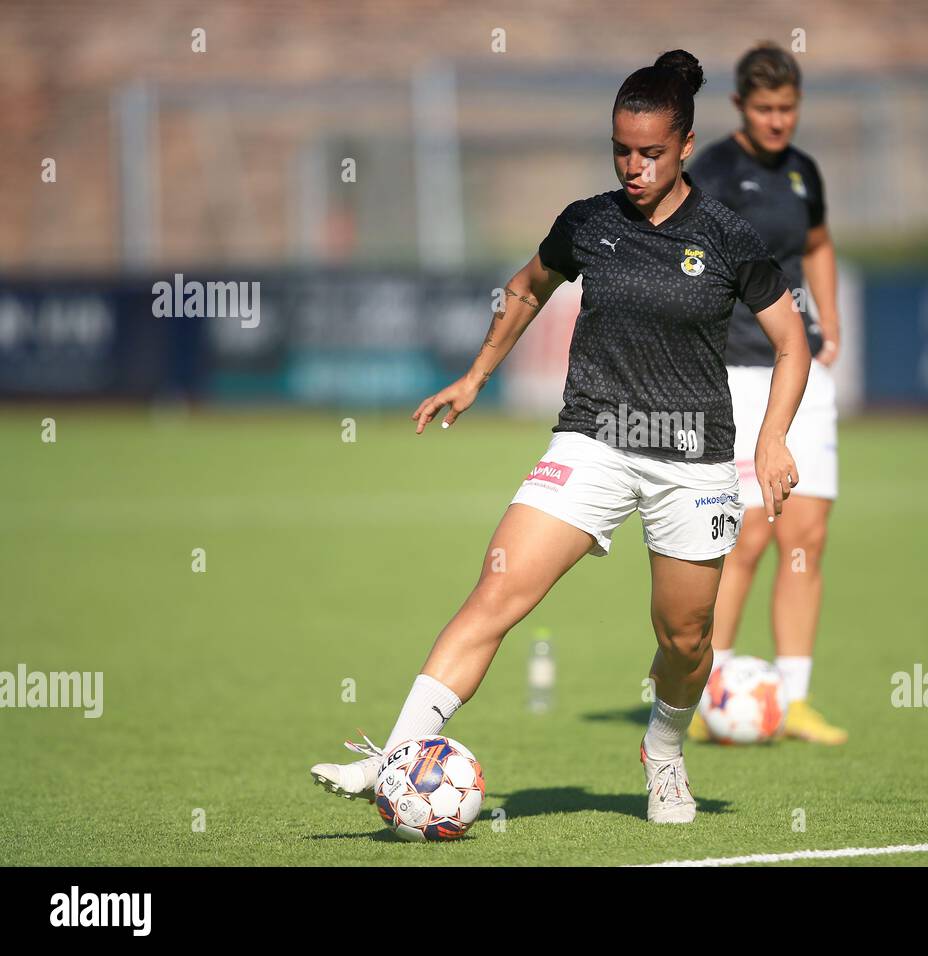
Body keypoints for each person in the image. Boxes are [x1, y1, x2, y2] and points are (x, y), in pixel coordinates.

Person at [309, 50, 811, 825]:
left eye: (650, 152)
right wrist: (476, 375)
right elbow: (525, 289)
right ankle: (395, 757)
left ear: (684, 145)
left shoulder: (727, 237)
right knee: (497, 594)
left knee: (684, 640)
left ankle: (665, 752)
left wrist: (773, 439)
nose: (634, 166)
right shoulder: (587, 223)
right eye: (621, 150)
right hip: (592, 442)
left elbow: (791, 343)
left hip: (693, 459)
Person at [687, 43, 846, 744]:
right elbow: (685, 255)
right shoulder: (714, 172)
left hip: (800, 368)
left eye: (788, 108)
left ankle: (797, 696)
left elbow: (816, 244)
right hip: (736, 372)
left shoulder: (805, 172)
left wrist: (830, 321)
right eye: (765, 109)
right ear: (740, 107)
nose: (779, 121)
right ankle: (704, 694)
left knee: (806, 535)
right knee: (747, 533)